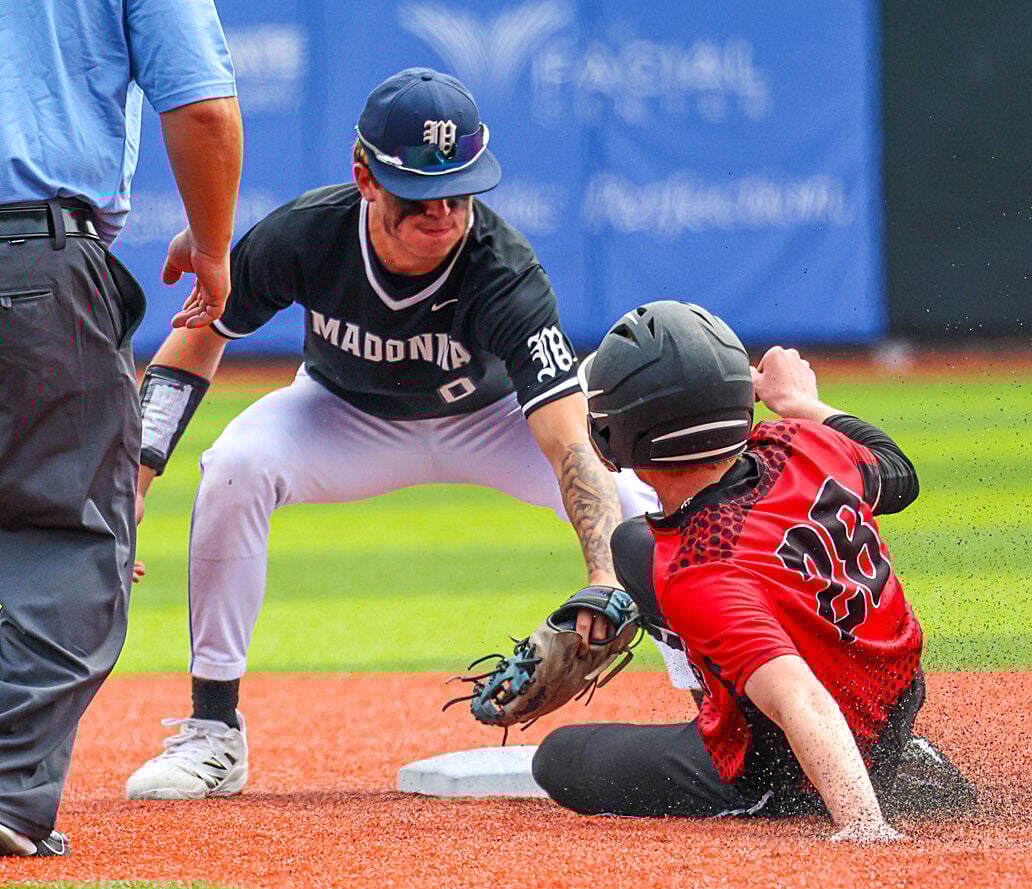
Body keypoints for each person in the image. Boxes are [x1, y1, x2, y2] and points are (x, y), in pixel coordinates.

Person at [124, 67, 661, 801]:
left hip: (486, 419)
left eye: (461, 187)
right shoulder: (307, 234)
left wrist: (605, 577)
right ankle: (214, 732)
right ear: (365, 176)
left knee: (639, 510)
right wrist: (132, 483)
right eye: (419, 193)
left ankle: (721, 715)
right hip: (340, 415)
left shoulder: (505, 272)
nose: (443, 210)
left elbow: (570, 442)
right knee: (234, 465)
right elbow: (196, 338)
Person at [531, 301, 974, 842]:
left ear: (608, 445)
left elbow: (798, 697)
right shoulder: (801, 442)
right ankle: (904, 754)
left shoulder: (698, 570)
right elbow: (898, 474)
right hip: (894, 696)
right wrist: (800, 404)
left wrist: (866, 826)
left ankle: (781, 785)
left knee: (559, 760)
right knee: (631, 544)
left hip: (794, 762)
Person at [0, 0, 242, 857]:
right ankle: (4, 785)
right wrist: (213, 246)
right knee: (69, 536)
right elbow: (203, 105)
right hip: (30, 261)